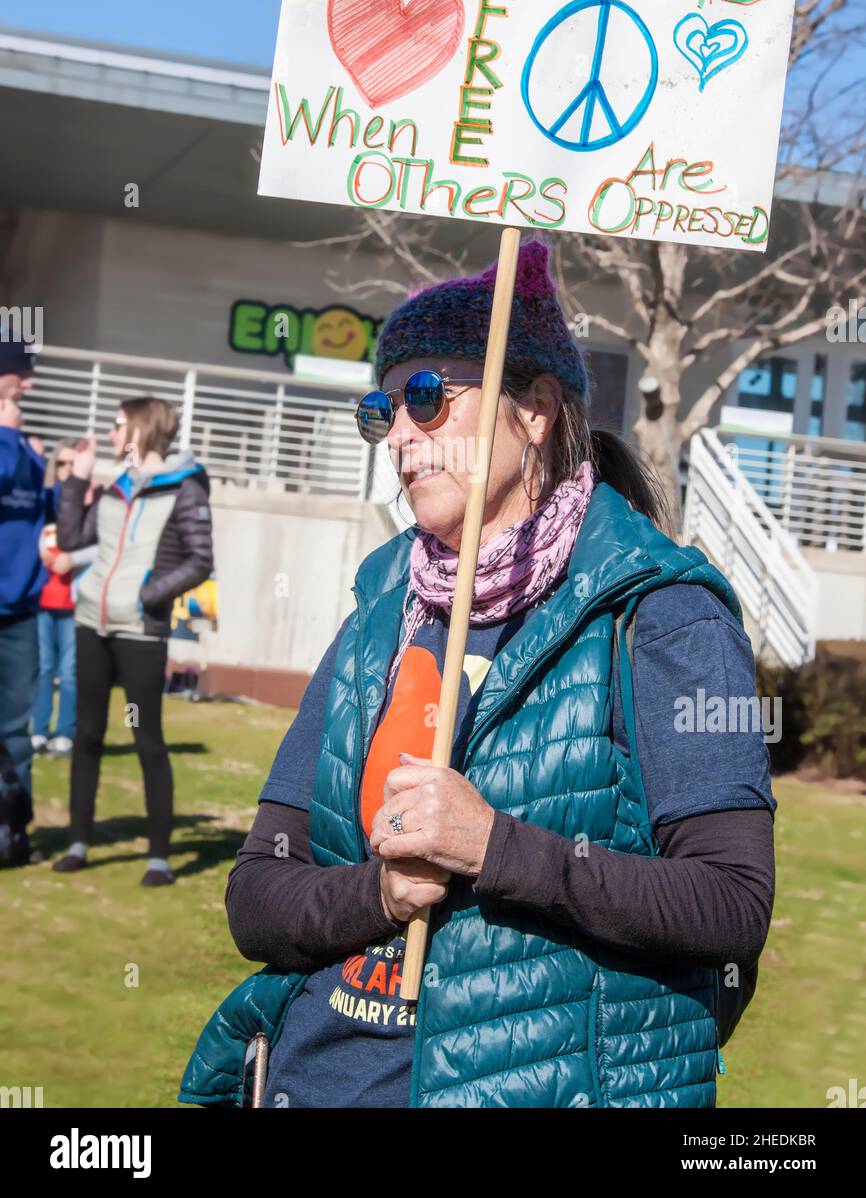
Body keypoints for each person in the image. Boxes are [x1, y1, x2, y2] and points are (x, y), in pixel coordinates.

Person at [180, 239, 776, 1109]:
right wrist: (377, 894)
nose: (403, 437)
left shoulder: (660, 613)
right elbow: (259, 893)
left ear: (535, 410)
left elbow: (729, 908)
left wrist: (496, 848)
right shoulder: (380, 613)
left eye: (429, 399)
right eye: (383, 409)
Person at [52, 397, 214, 887]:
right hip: (91, 625)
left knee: (147, 741)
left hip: (140, 631)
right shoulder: (112, 487)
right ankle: (78, 843)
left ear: (140, 430)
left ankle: (159, 859)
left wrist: (147, 597)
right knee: (87, 735)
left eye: (117, 424)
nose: (108, 433)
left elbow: (199, 559)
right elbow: (69, 537)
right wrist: (77, 478)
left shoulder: (184, 489)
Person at [0, 339, 51, 867]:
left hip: (18, 610)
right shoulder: (9, 442)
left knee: (15, 728)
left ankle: (13, 835)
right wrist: (7, 437)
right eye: (21, 375)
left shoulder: (23, 449)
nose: (28, 384)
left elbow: (40, 511)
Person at [31, 441, 98, 756]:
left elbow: (103, 548)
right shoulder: (43, 503)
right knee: (43, 669)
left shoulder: (91, 504)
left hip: (75, 604)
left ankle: (65, 733)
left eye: (75, 464)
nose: (69, 471)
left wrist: (73, 560)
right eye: (63, 464)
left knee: (70, 672)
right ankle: (38, 731)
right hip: (43, 601)